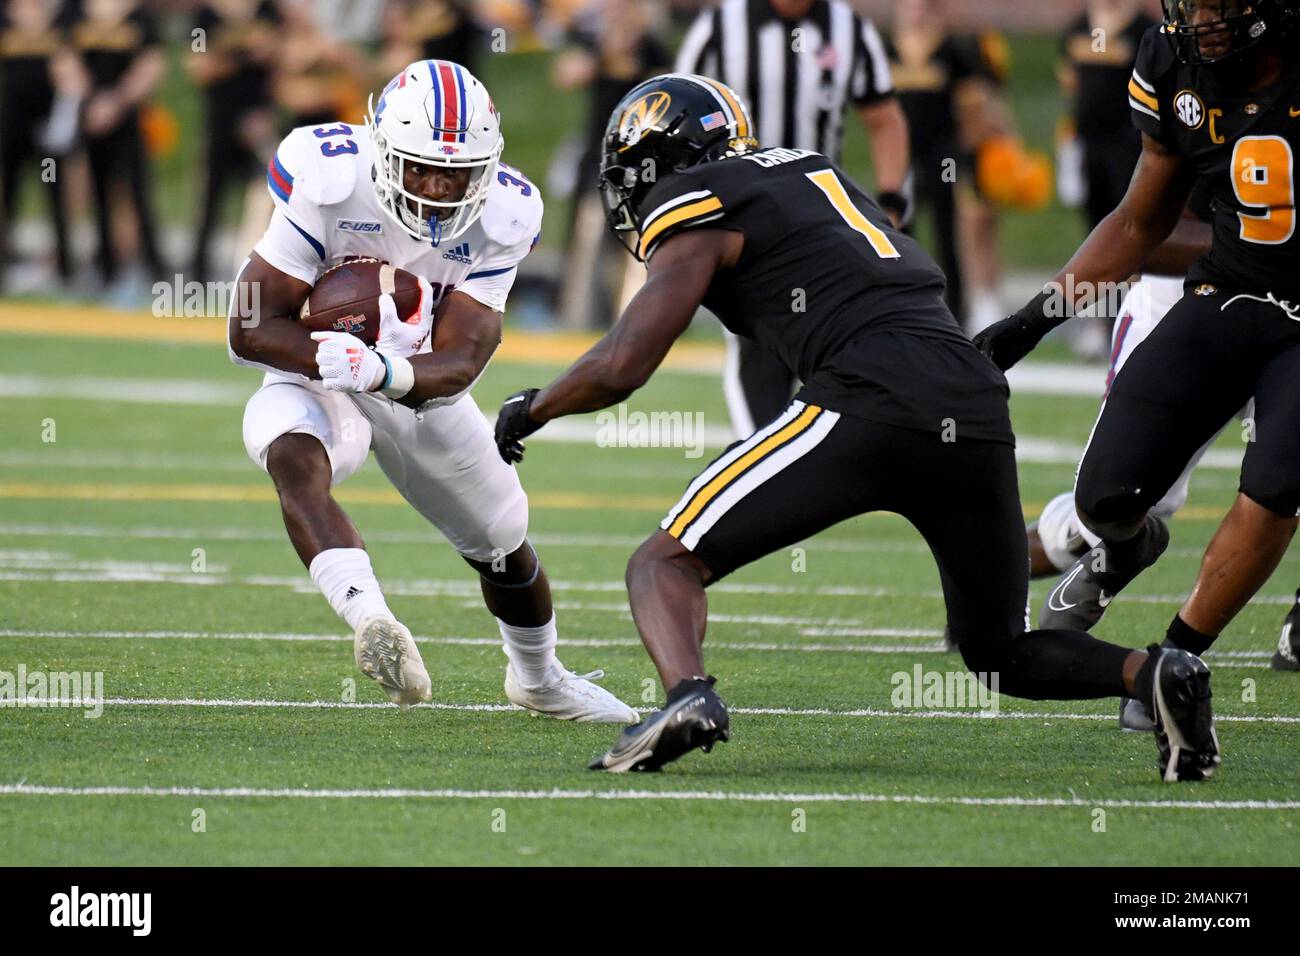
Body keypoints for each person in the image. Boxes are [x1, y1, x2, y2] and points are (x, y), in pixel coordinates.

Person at [493, 73, 1220, 780]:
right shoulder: (807, 171)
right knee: (1001, 653)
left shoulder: (696, 195)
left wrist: (534, 407)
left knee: (663, 562)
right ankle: (1158, 673)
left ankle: (688, 697)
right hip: (970, 395)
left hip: (871, 392)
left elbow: (626, 361)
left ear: (661, 163)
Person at [226, 59, 637, 723]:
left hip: (413, 378)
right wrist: (336, 356)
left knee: (501, 535)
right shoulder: (326, 175)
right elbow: (249, 324)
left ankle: (540, 679)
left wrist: (384, 371)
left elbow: (465, 356)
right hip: (320, 361)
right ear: (383, 150)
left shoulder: (505, 212)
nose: (439, 187)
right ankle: (372, 618)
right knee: (288, 449)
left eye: (457, 172)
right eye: (420, 167)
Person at [974, 1, 1300, 727]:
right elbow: (1139, 220)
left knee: (1278, 479)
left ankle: (1177, 659)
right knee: (1106, 495)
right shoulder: (1170, 59)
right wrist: (1035, 318)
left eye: (1221, 3)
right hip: (1233, 289)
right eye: (1193, 3)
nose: (1203, 19)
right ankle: (1123, 550)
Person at [675, 0, 911, 437]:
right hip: (741, 223)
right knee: (757, 354)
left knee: (836, 359)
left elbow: (884, 119)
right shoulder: (720, 26)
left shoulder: (849, 29)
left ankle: (813, 462)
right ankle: (761, 456)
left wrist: (891, 203)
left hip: (821, 224)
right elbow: (676, 108)